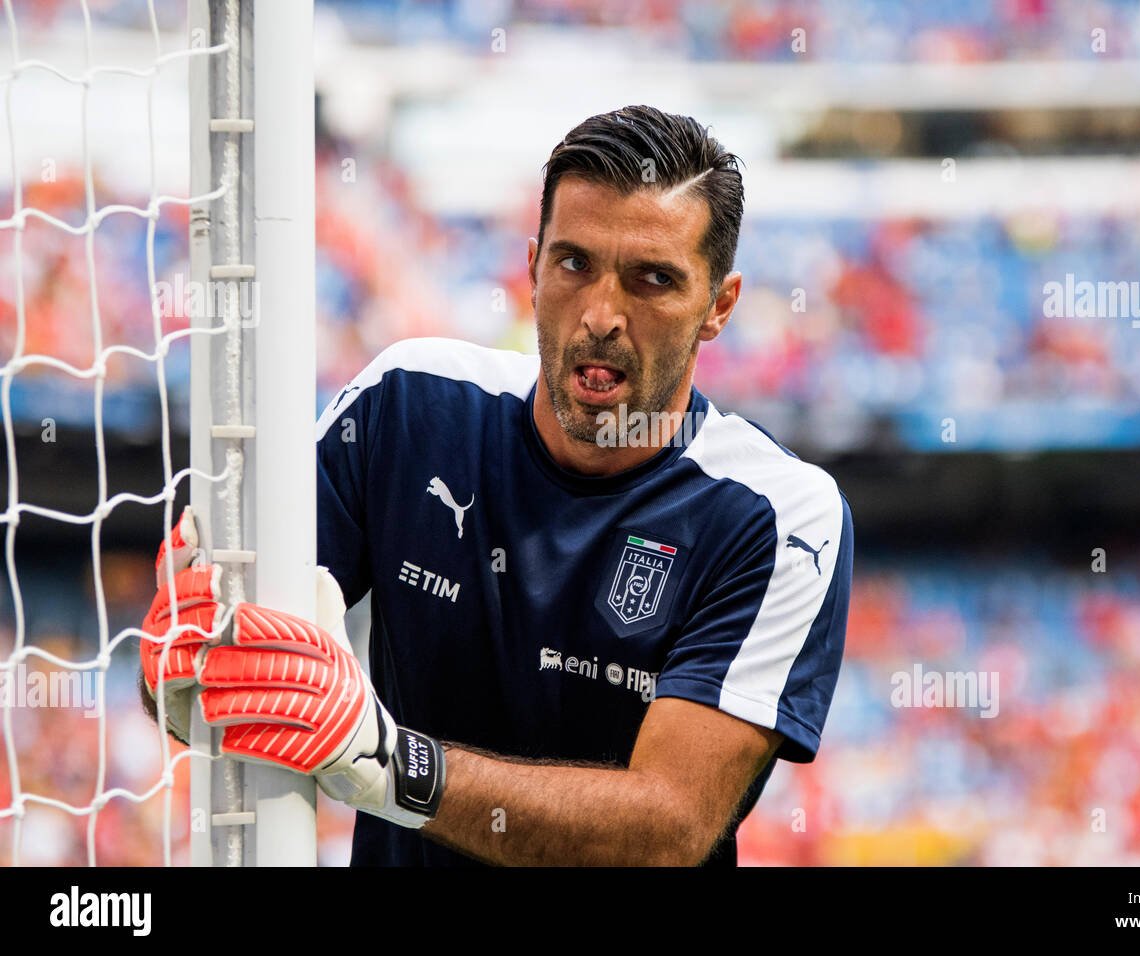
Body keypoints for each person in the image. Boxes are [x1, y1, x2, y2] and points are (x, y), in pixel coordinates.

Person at [140, 104, 853, 866]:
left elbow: (669, 827)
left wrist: (389, 764)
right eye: (575, 264)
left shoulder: (778, 517)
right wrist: (184, 667)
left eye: (653, 280)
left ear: (719, 304)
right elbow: (223, 654)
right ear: (532, 265)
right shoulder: (410, 403)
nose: (603, 315)